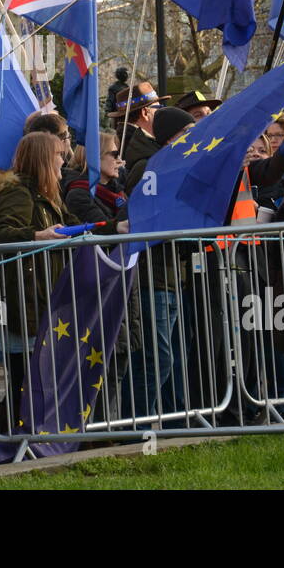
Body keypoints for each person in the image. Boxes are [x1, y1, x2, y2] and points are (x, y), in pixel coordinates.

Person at [0, 131, 77, 436]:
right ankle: (10, 438)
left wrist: (115, 227)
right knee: (26, 378)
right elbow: (2, 234)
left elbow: (74, 225)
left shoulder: (45, 195)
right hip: (23, 302)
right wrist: (39, 236)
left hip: (39, 299)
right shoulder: (19, 193)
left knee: (35, 377)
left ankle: (23, 437)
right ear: (44, 159)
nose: (64, 160)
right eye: (59, 155)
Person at [122, 106, 196, 424]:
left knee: (171, 358)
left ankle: (172, 421)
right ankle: (135, 424)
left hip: (170, 274)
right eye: (186, 134)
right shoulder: (147, 168)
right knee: (156, 358)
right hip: (152, 276)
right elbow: (148, 215)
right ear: (169, 139)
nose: (192, 140)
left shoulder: (171, 165)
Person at [63, 131, 126, 225]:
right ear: (95, 156)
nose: (120, 161)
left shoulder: (116, 189)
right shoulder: (78, 195)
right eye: (115, 154)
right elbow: (106, 231)